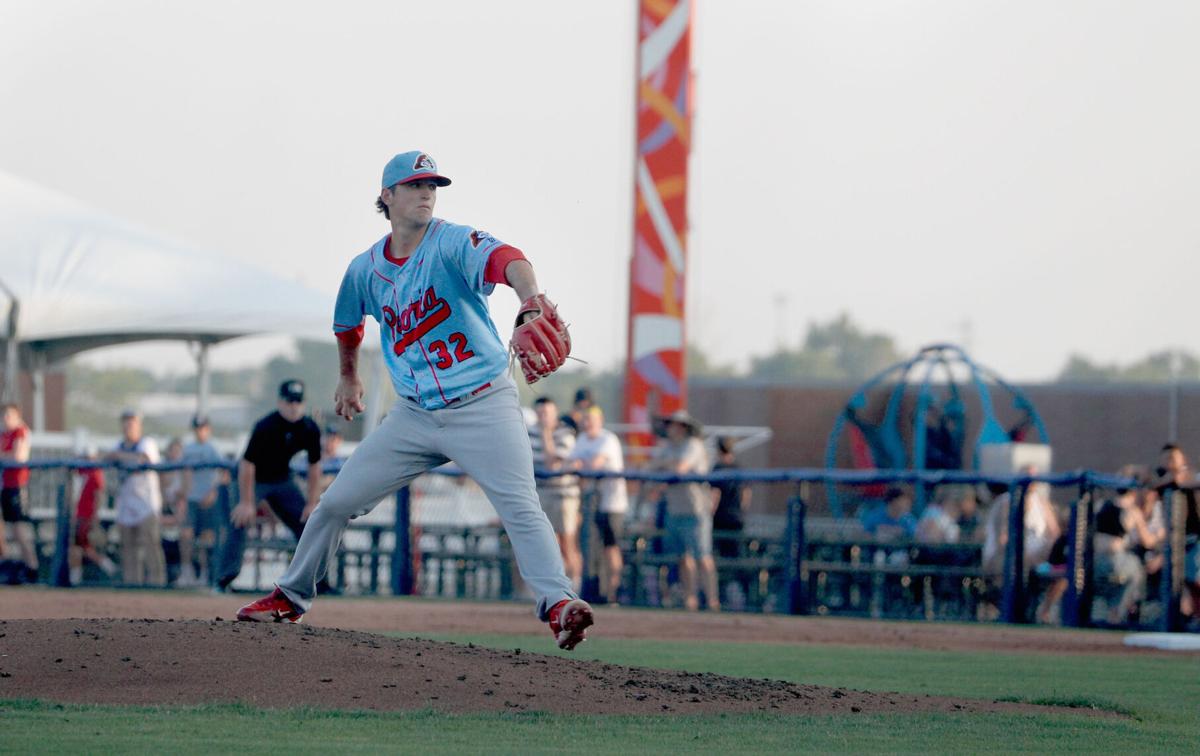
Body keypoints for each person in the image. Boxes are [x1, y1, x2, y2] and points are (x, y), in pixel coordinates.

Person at [236, 150, 591, 649]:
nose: (427, 193)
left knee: (520, 507)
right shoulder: (364, 269)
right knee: (335, 504)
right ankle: (290, 598)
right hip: (414, 414)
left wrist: (529, 298)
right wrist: (348, 377)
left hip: (483, 403)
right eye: (416, 185)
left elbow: (510, 259)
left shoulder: (452, 242)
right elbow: (347, 324)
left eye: (433, 186)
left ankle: (559, 605)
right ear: (387, 196)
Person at [215, 380, 322, 591]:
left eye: (298, 402)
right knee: (240, 520)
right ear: (280, 402)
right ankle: (223, 579)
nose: (294, 407)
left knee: (308, 522)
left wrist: (312, 502)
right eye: (289, 401)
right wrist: (246, 502)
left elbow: (314, 466)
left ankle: (316, 580)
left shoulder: (309, 427)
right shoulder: (266, 426)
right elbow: (247, 463)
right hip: (254, 480)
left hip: (282, 479)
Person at [648, 409, 718, 611]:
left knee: (703, 556)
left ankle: (712, 600)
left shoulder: (693, 444)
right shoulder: (669, 447)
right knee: (683, 557)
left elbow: (680, 468)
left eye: (674, 424)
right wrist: (665, 464)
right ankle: (690, 598)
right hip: (675, 510)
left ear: (682, 427)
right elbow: (651, 467)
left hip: (696, 510)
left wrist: (665, 465)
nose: (670, 427)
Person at [568, 406, 629, 603]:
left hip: (612, 503)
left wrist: (581, 465)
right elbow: (571, 465)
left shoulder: (607, 439)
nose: (588, 424)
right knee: (591, 547)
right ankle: (594, 590)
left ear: (600, 421)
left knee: (611, 547)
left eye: (591, 420)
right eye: (585, 420)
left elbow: (594, 465)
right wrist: (579, 465)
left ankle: (613, 591)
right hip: (590, 502)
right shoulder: (582, 439)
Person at [107, 410, 166, 586]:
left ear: (138, 425)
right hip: (126, 503)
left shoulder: (146, 443)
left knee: (151, 545)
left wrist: (120, 456)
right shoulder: (119, 445)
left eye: (132, 423)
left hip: (146, 504)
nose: (128, 426)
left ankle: (157, 583)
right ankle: (132, 583)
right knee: (128, 547)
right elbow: (107, 457)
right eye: (125, 422)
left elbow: (144, 459)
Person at [530, 397, 582, 590]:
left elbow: (552, 464)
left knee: (567, 544)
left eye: (547, 413)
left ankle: (575, 589)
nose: (543, 417)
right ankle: (548, 590)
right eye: (540, 413)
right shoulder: (529, 432)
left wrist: (546, 434)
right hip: (540, 495)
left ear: (555, 413)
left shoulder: (565, 434)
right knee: (546, 546)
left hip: (564, 497)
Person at [1153, 443, 1200, 622]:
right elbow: (1147, 482)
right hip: (1175, 543)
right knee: (1180, 580)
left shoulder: (1190, 476)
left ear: (1183, 459)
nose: (1170, 462)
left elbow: (1185, 481)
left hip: (1195, 541)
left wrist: (1176, 478)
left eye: (1173, 458)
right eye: (1166, 458)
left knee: (1192, 572)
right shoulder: (1162, 482)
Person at [180, 415, 223, 587]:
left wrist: (213, 493)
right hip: (192, 498)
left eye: (203, 428)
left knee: (206, 537)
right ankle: (187, 571)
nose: (200, 431)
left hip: (208, 499)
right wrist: (184, 496)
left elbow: (223, 473)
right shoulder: (188, 449)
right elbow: (185, 473)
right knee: (186, 535)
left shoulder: (212, 449)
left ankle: (205, 573)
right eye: (197, 428)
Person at [68, 444, 117, 585]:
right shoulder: (86, 470)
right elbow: (74, 467)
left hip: (87, 516)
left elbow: (98, 495)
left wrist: (94, 516)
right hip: (80, 514)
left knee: (81, 547)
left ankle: (107, 567)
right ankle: (105, 567)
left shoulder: (96, 472)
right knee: (81, 547)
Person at [0, 403, 38, 583]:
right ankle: (8, 565)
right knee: (6, 530)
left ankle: (32, 567)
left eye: (9, 415)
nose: (6, 419)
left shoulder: (20, 432)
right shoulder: (4, 435)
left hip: (17, 487)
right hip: (5, 486)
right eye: (4, 415)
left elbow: (19, 456)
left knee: (19, 530)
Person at [710, 436, 750, 560]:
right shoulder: (739, 468)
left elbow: (715, 493)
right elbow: (746, 493)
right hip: (736, 517)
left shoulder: (717, 469)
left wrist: (710, 513)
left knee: (719, 554)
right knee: (735, 553)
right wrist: (741, 511)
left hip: (720, 518)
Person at [158, 437, 187, 585]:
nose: (175, 454)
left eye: (178, 451)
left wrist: (174, 519)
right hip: (164, 521)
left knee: (185, 535)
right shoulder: (161, 475)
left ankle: (185, 573)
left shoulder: (185, 475)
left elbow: (182, 513)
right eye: (172, 450)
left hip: (177, 522)